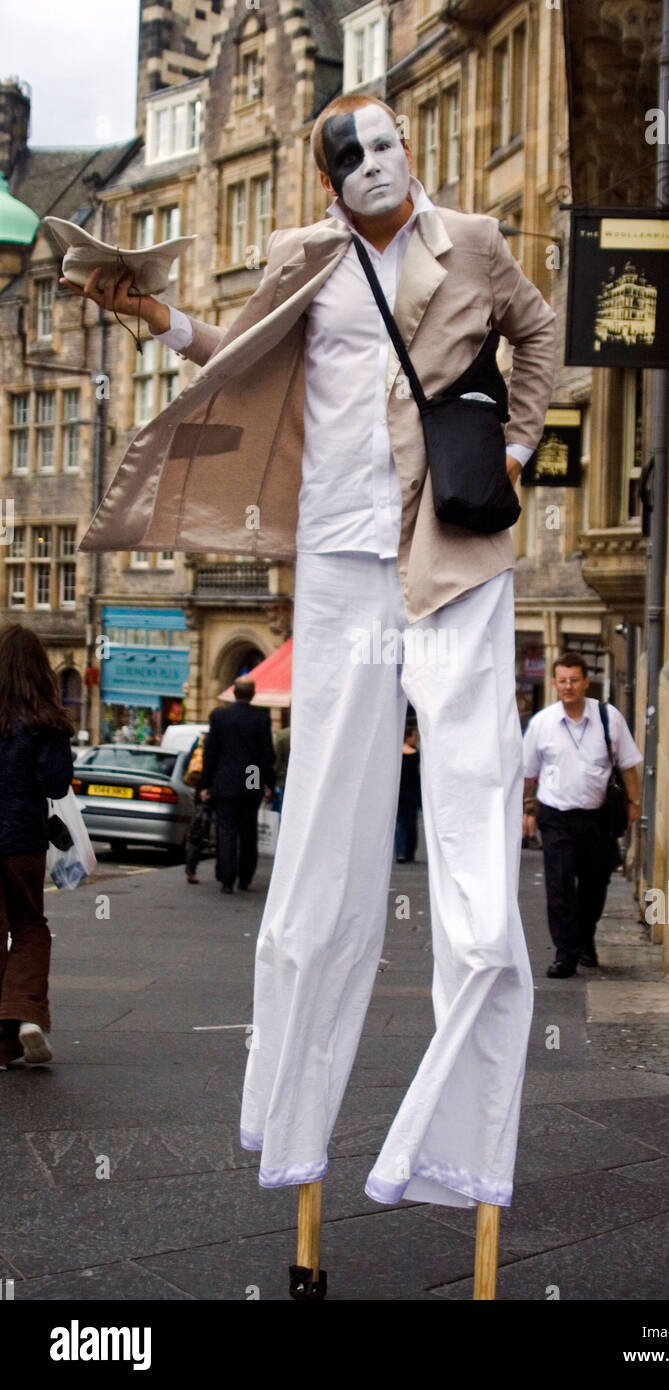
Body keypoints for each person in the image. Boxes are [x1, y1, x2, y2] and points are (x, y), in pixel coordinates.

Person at [69, 92, 556, 1211]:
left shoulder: (472, 243)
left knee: (476, 839)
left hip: (454, 548)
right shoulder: (303, 256)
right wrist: (153, 314)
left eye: (385, 142)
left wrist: (519, 441)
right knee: (316, 853)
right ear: (326, 182)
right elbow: (230, 352)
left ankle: (457, 1151)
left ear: (409, 150)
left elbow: (536, 334)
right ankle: (293, 1128)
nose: (374, 164)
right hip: (337, 560)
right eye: (349, 154)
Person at [522, 651, 643, 978]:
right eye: (562, 681)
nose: (568, 686)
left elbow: (629, 764)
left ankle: (584, 936)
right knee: (559, 886)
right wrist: (527, 810)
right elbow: (529, 774)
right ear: (554, 683)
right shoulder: (542, 724)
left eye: (574, 680)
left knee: (595, 884)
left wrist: (634, 802)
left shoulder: (608, 717)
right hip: (555, 815)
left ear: (586, 681)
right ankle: (566, 955)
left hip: (596, 818)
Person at [0, 624, 74, 1068]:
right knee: (29, 926)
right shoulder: (47, 721)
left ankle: (4, 1045)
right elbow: (55, 783)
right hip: (22, 840)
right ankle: (25, 1017)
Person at [199, 678, 275, 894]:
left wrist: (206, 784)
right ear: (252, 694)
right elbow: (266, 756)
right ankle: (245, 878)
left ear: (234, 693)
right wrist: (267, 784)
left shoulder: (219, 716)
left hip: (224, 781)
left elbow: (210, 753)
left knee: (226, 831)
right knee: (248, 831)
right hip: (251, 777)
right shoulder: (261, 719)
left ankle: (226, 879)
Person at [182, 732, 212, 885]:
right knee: (226, 831)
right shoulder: (236, 737)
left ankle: (191, 869)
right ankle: (225, 872)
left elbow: (187, 762)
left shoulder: (202, 738)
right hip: (223, 790)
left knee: (198, 829)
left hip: (202, 791)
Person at [394, 721, 421, 863]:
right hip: (412, 791)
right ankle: (409, 851)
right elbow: (419, 773)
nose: (416, 738)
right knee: (411, 823)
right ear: (408, 737)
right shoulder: (415, 753)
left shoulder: (396, 752)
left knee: (400, 823)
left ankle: (400, 851)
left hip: (398, 791)